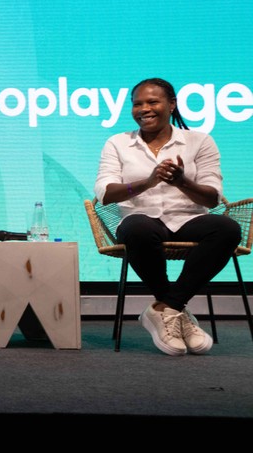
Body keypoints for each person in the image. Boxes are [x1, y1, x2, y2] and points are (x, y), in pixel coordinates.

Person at [95, 77, 240, 356]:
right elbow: (105, 193)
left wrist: (182, 182)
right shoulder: (117, 142)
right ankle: (176, 310)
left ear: (171, 105)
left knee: (227, 229)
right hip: (141, 219)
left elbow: (212, 197)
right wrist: (146, 183)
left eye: (153, 102)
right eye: (137, 104)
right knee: (138, 229)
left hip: (189, 219)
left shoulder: (199, 141)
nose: (144, 109)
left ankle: (166, 308)